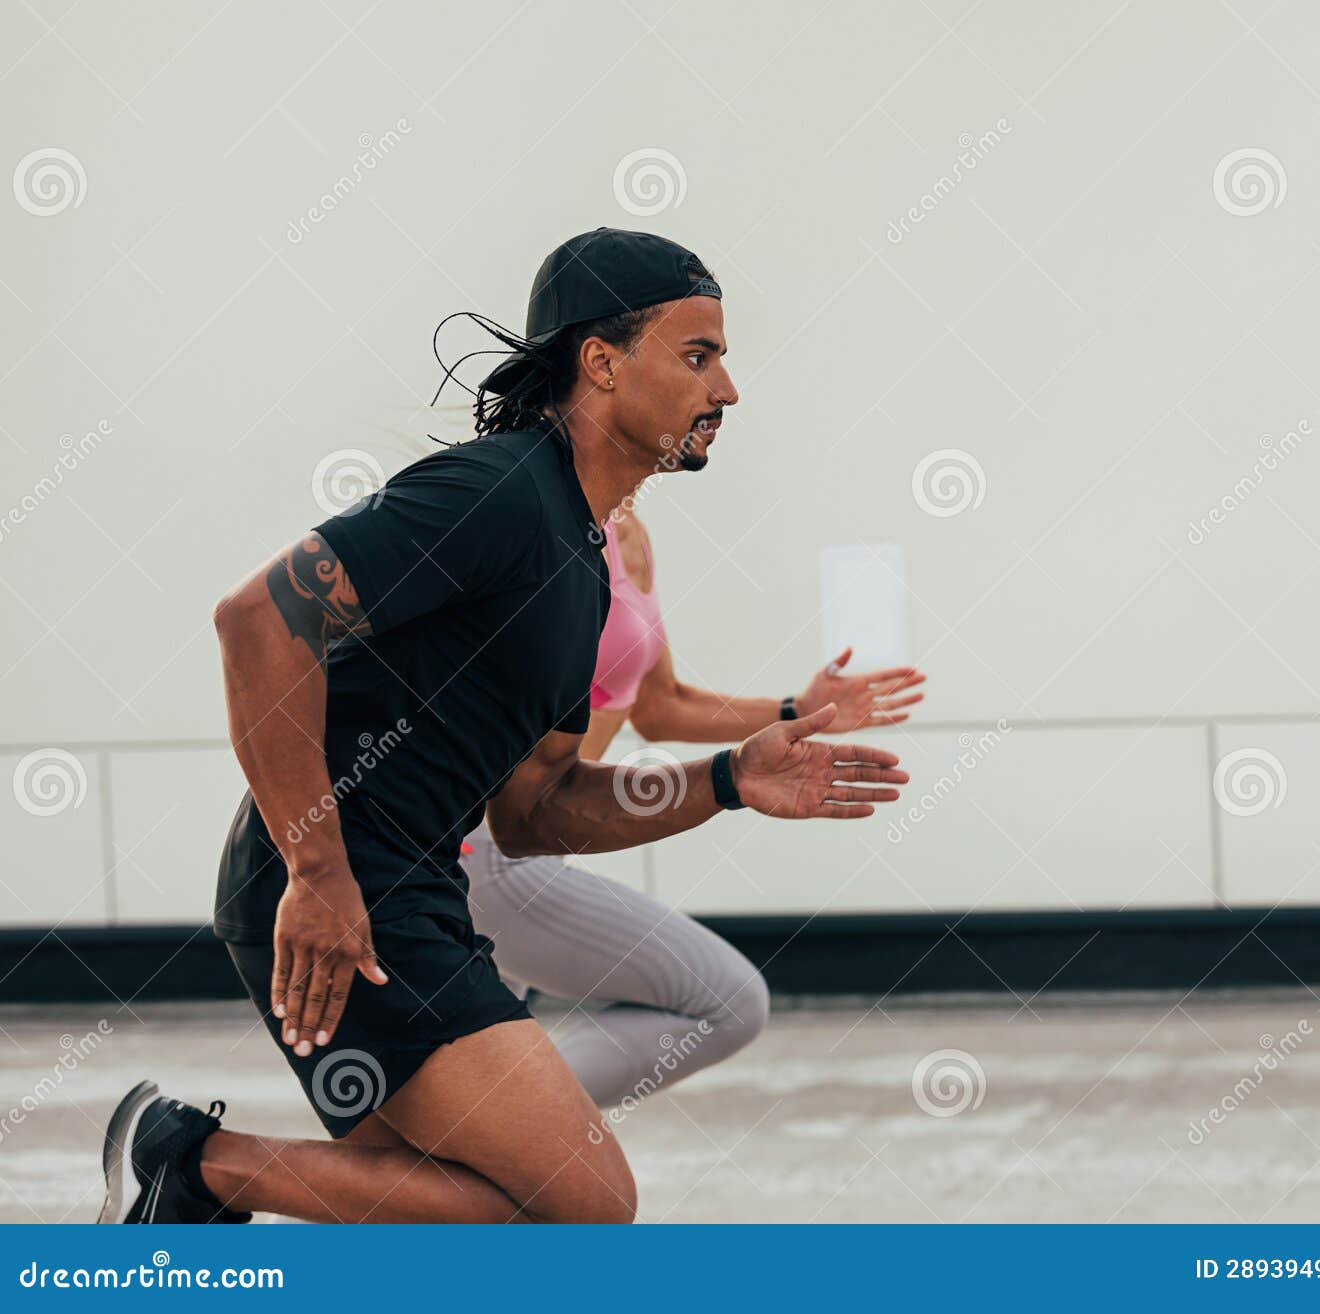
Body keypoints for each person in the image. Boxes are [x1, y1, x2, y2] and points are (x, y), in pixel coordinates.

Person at [96, 228, 909, 1225]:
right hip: (345, 889)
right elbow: (260, 620)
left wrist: (729, 779)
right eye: (698, 356)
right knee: (586, 1204)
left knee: (480, 1221)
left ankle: (186, 1170)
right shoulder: (497, 492)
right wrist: (317, 873)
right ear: (600, 363)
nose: (728, 389)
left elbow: (536, 811)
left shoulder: (579, 558)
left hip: (413, 886)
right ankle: (193, 1163)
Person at [462, 501, 927, 1111]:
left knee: (470, 1067)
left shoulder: (628, 537)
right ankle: (496, 1129)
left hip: (540, 841)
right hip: (488, 843)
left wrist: (795, 709)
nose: (719, 404)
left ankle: (469, 1146)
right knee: (728, 1002)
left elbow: (658, 705)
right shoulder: (525, 520)